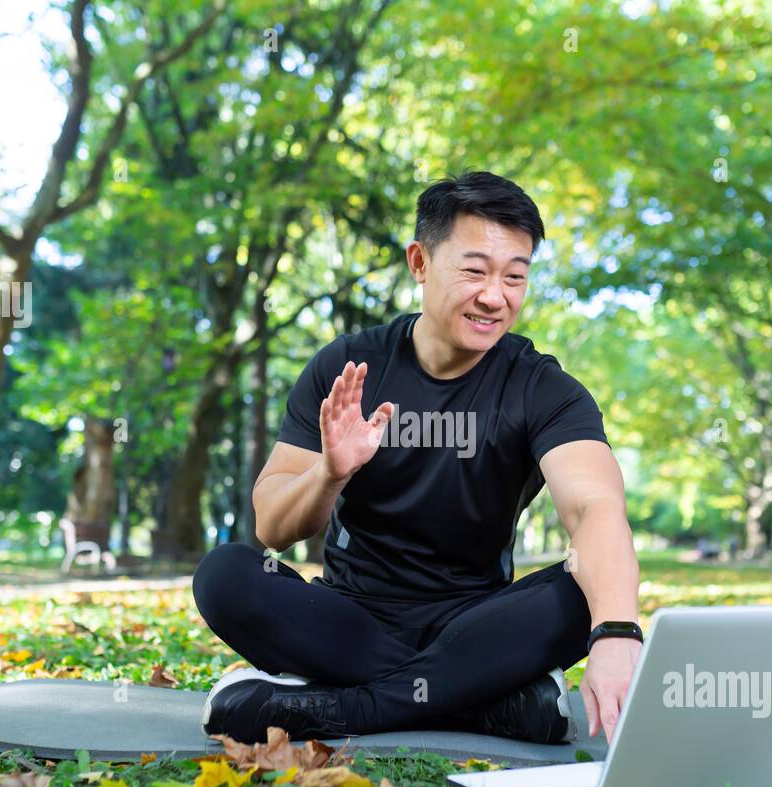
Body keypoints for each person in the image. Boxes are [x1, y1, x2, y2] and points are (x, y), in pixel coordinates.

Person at [192, 170, 643, 747]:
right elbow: (273, 527)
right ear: (420, 262)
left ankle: (340, 709)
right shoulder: (346, 367)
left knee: (587, 592)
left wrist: (616, 631)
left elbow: (595, 507)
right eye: (474, 270)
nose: (494, 296)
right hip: (351, 620)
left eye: (515, 277)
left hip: (479, 624)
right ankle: (485, 702)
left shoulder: (544, 388)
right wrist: (330, 472)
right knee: (226, 575)